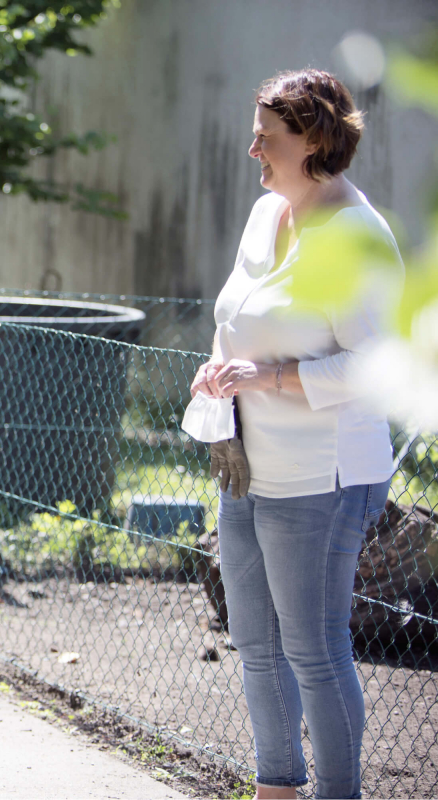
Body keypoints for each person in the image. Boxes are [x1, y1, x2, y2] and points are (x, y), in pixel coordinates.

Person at [189, 69, 403, 799]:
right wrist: (216, 371)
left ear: (313, 140)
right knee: (254, 644)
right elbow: (237, 324)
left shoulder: (356, 236)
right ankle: (276, 789)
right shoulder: (266, 214)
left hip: (323, 476)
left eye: (266, 136)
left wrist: (267, 377)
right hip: (248, 466)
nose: (252, 148)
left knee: (313, 650)